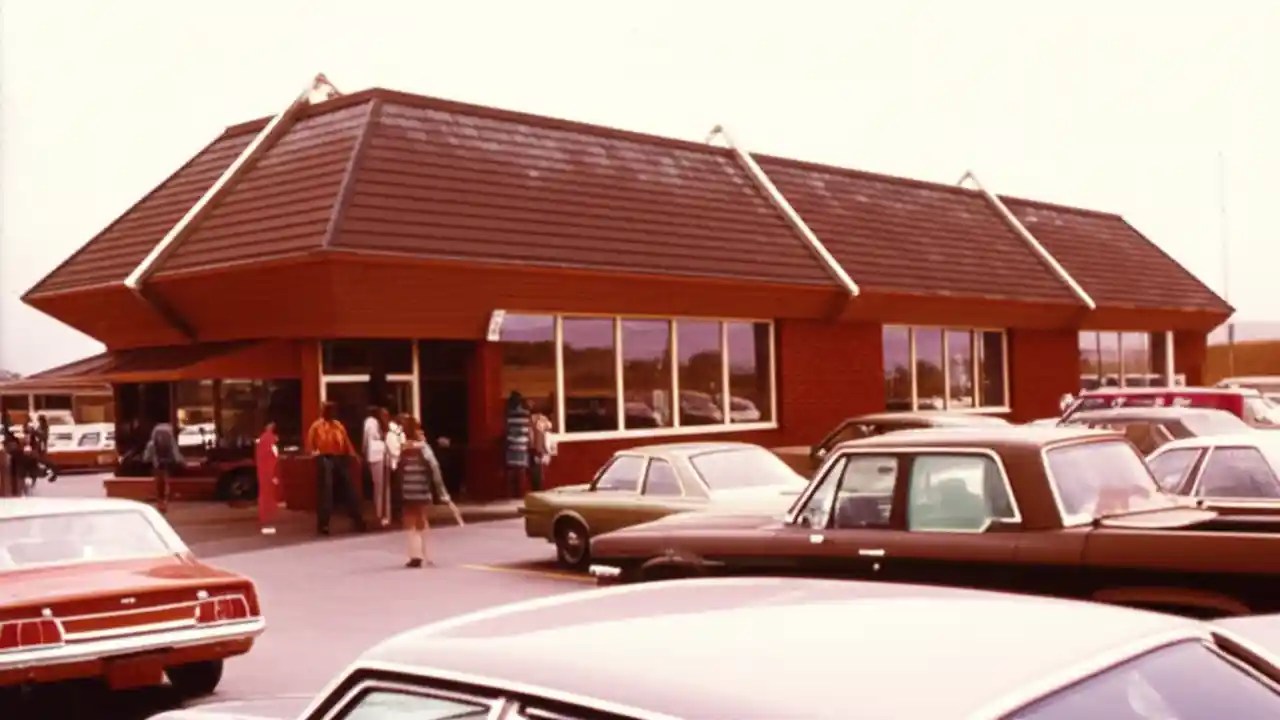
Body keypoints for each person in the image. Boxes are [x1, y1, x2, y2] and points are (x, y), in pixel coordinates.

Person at [398, 416, 450, 568]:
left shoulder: (404, 448)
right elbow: (434, 468)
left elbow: (398, 469)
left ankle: (415, 555)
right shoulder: (424, 448)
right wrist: (441, 491)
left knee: (409, 519)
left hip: (407, 487)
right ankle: (427, 554)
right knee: (421, 518)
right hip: (421, 487)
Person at [307, 402, 366, 536]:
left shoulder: (338, 426)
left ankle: (357, 519)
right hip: (324, 457)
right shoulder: (316, 426)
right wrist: (315, 455)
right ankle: (323, 524)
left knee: (349, 488)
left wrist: (354, 456)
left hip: (339, 457)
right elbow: (310, 444)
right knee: (326, 492)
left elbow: (346, 442)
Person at [143, 422, 184, 514]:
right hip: (164, 466)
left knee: (161, 484)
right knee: (163, 483)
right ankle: (163, 501)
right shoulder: (166, 443)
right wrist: (180, 461)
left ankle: (162, 501)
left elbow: (147, 457)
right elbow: (176, 454)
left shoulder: (153, 444)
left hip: (160, 467)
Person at [363, 406, 390, 528]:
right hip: (382, 455)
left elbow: (366, 440)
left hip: (376, 455)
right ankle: (382, 514)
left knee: (379, 487)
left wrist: (364, 452)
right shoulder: (377, 424)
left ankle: (380, 514)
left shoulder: (370, 422)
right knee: (382, 487)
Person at [255, 421, 281, 535]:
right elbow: (272, 459)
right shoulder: (269, 440)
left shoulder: (263, 439)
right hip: (268, 474)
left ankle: (266, 520)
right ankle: (268, 521)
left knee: (265, 496)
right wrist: (274, 475)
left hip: (263, 473)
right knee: (268, 497)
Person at [504, 391, 531, 497]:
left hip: (511, 444)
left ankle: (510, 493)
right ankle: (521, 493)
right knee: (522, 470)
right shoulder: (526, 413)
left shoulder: (508, 413)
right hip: (523, 444)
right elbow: (528, 429)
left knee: (511, 470)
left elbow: (507, 429)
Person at [529, 403, 553, 492]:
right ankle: (539, 488)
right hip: (542, 448)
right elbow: (548, 435)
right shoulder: (546, 420)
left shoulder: (531, 420)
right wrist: (548, 450)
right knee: (540, 471)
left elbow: (530, 435)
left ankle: (536, 489)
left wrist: (531, 445)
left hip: (535, 449)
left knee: (535, 471)